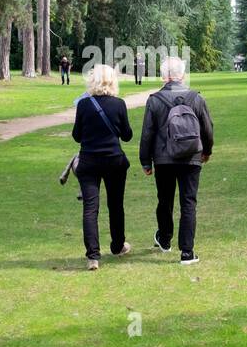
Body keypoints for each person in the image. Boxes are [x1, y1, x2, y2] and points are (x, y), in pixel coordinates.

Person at [139, 56, 213, 265]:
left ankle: (164, 239)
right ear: (182, 74)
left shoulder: (154, 100)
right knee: (188, 202)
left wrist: (146, 161)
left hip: (163, 159)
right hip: (191, 157)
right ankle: (187, 252)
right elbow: (207, 128)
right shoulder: (196, 98)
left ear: (164, 76)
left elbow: (147, 134)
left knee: (165, 200)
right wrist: (206, 151)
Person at [72, 65, 133, 270]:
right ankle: (117, 245)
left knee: (90, 208)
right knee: (116, 205)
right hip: (114, 160)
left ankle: (93, 256)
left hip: (89, 161)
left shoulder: (83, 105)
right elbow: (127, 135)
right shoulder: (119, 104)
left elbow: (77, 135)